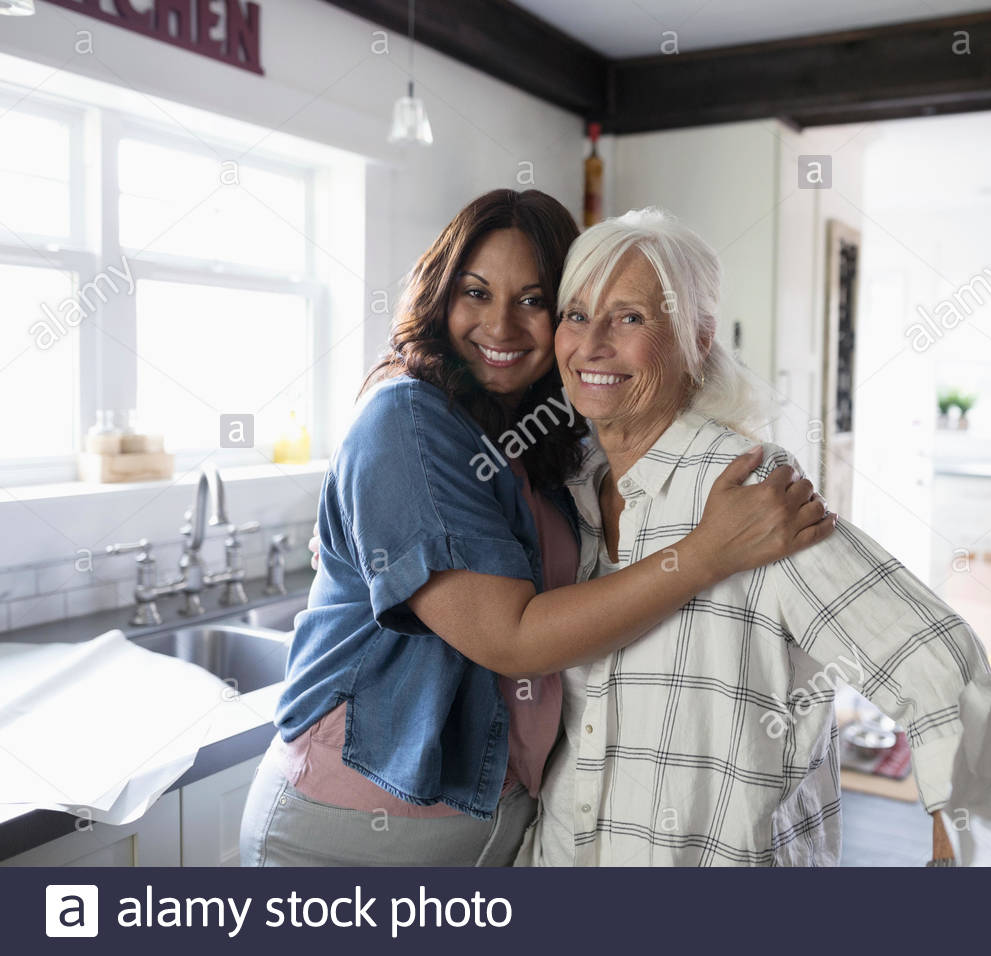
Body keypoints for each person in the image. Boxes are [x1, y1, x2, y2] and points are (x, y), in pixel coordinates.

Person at [238, 189, 833, 867]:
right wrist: (705, 555)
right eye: (476, 292)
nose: (501, 327)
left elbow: (651, 392)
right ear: (439, 294)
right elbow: (510, 637)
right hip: (350, 835)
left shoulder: (545, 436)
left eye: (533, 300)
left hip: (503, 831)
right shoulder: (407, 420)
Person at [502, 207, 990, 866]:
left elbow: (941, 664)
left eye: (632, 318)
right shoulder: (572, 487)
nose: (591, 345)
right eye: (576, 314)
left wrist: (955, 850)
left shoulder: (749, 490)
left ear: (699, 339)